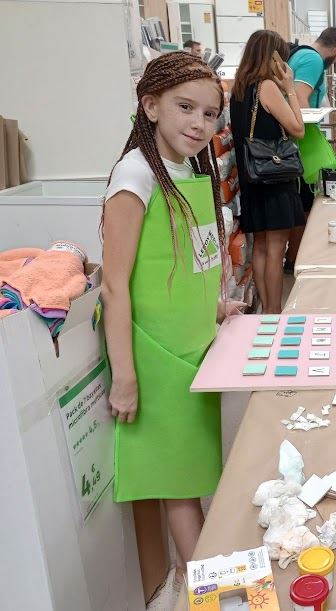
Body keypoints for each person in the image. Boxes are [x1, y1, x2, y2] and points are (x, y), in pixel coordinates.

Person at [102, 52, 227, 587]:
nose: (199, 123)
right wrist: (125, 376)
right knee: (179, 482)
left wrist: (216, 305)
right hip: (157, 355)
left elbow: (189, 258)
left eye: (210, 113)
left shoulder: (191, 166)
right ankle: (211, 589)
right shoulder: (135, 175)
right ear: (150, 105)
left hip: (196, 344)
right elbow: (115, 284)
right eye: (185, 107)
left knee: (195, 471)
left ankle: (193, 571)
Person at [231, 30, 305, 313]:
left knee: (261, 248)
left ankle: (266, 311)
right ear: (273, 57)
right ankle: (274, 313)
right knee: (276, 250)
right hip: (273, 176)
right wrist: (288, 88)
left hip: (252, 179)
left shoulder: (240, 88)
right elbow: (297, 128)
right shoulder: (268, 87)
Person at [285, 27, 336, 273]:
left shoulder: (299, 54)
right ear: (335, 50)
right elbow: (300, 98)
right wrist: (308, 124)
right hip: (301, 138)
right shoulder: (312, 59)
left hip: (292, 137)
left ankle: (293, 257)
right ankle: (296, 259)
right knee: (306, 202)